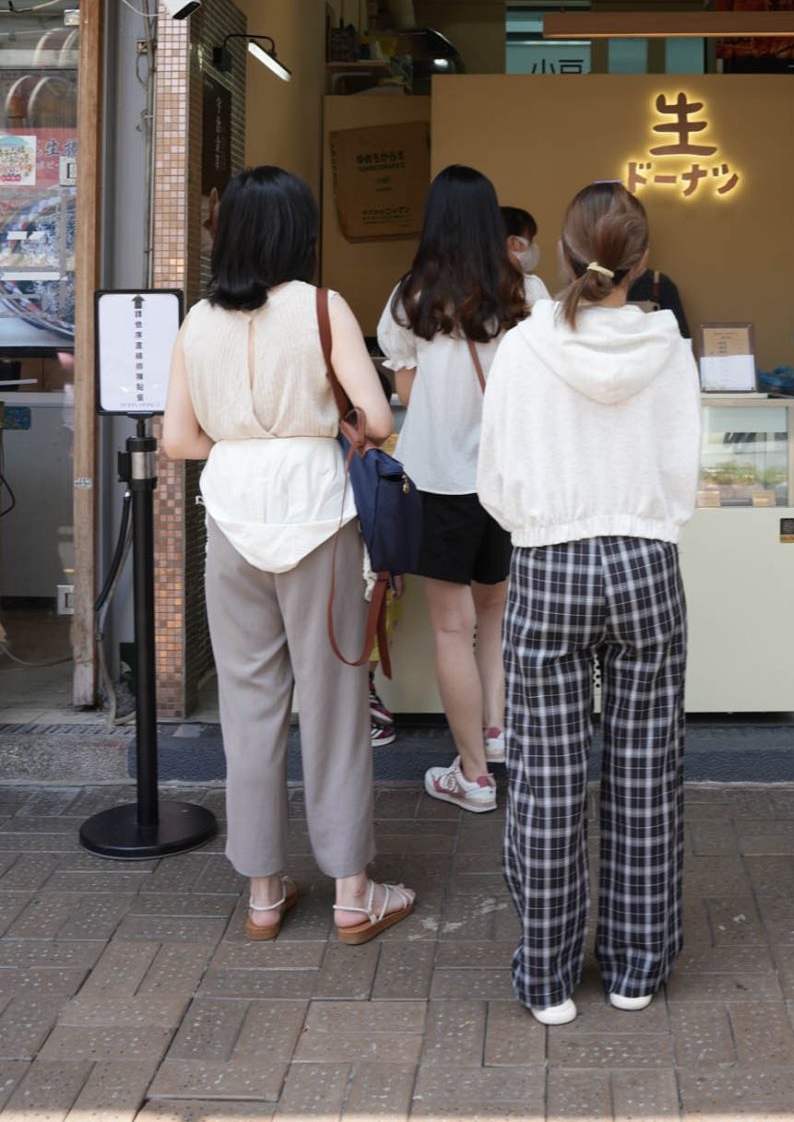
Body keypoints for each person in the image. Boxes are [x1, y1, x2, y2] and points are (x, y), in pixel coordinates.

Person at [163, 166, 414, 943]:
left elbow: (178, 441)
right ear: (296, 235)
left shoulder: (197, 321)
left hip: (232, 518)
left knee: (249, 706)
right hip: (317, 518)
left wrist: (242, 445)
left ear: (227, 231)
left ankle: (265, 893)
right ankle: (351, 892)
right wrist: (319, 430)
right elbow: (375, 418)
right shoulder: (319, 307)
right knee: (335, 705)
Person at [477, 181, 700, 1027]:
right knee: (647, 772)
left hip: (548, 559)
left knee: (544, 778)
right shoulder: (667, 345)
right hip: (646, 561)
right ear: (641, 262)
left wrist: (544, 521)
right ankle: (637, 969)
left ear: (564, 256)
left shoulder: (526, 345)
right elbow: (686, 464)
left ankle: (547, 977)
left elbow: (493, 470)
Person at [378, 165, 528, 812]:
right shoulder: (524, 295)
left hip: (438, 481)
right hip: (506, 480)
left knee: (451, 629)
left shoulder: (411, 298)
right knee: (495, 613)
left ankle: (473, 776)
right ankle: (495, 735)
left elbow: (405, 395)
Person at [501, 205, 552, 305]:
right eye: (531, 239)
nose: (533, 247)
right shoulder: (532, 285)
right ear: (514, 243)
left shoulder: (470, 285)